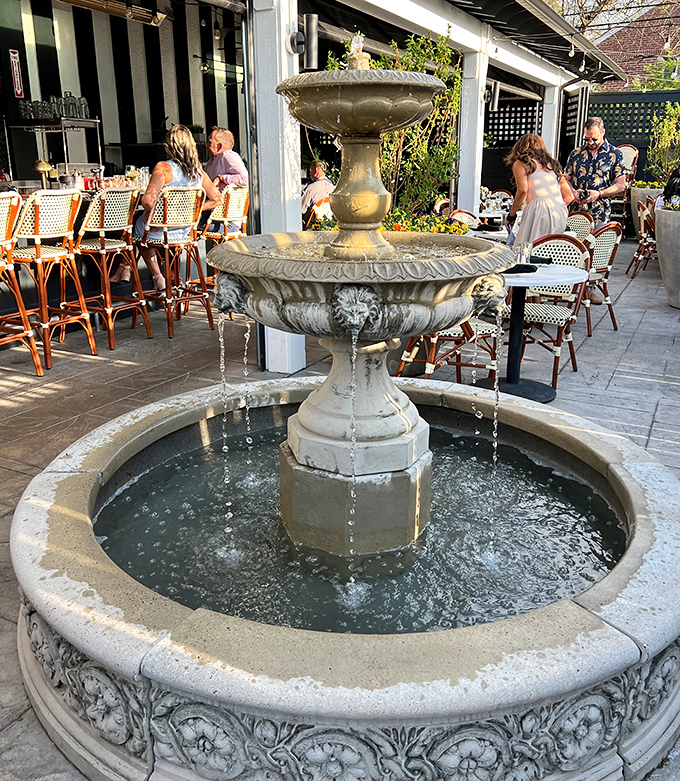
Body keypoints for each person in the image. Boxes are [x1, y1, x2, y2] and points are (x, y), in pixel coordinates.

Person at [124, 124, 221, 291]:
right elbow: (217, 199)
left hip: (163, 231)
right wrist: (191, 211)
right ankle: (127, 270)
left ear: (169, 146)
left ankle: (157, 277)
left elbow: (147, 201)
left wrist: (154, 215)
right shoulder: (198, 171)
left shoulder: (163, 168)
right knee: (143, 228)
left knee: (135, 229)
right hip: (185, 231)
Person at [504, 134, 571, 246]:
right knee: (550, 251)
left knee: (525, 251)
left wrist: (512, 215)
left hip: (539, 211)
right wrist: (553, 206)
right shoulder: (552, 164)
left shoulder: (521, 163)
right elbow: (570, 196)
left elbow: (523, 190)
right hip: (559, 212)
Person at [564, 116, 626, 227]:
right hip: (575, 213)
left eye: (594, 139)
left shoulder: (615, 154)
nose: (590, 142)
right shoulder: (575, 153)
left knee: (596, 245)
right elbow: (565, 179)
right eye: (587, 139)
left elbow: (621, 185)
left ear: (603, 132)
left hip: (600, 213)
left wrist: (599, 194)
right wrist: (573, 192)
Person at [301, 161, 335, 228]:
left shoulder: (310, 189)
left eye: (311, 170)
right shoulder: (333, 189)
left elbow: (300, 210)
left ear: (316, 171)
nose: (309, 173)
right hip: (330, 227)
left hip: (312, 229)